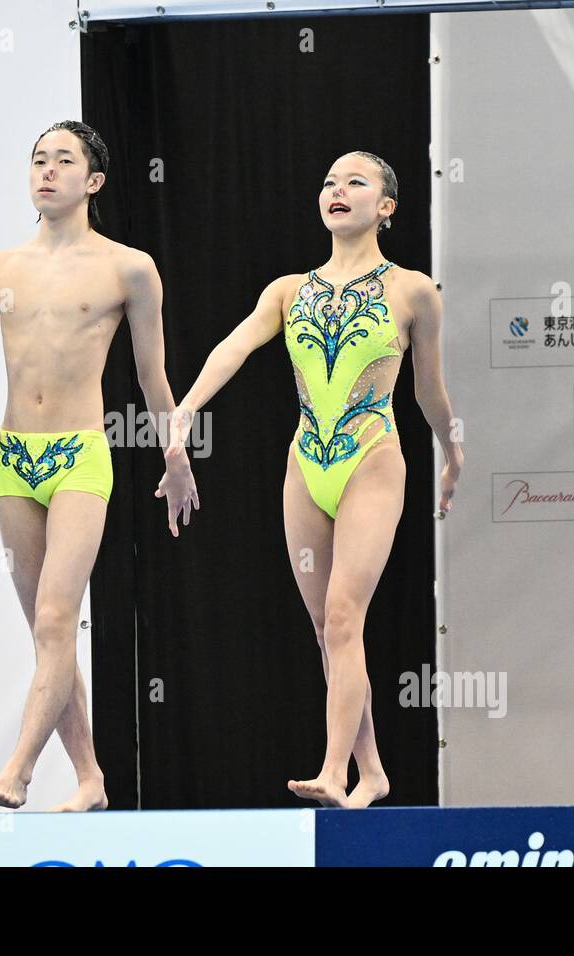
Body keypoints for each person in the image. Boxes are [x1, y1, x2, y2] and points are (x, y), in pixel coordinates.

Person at [0, 120, 199, 811]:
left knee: (57, 618)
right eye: (37, 161)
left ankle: (18, 769)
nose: (46, 172)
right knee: (46, 633)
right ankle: (91, 779)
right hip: (14, 459)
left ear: (94, 181)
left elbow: (152, 377)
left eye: (63, 161)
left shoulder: (129, 268)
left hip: (80, 456)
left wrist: (175, 452)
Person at [165, 151, 462, 807]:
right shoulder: (286, 291)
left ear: (386, 206)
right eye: (329, 181)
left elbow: (429, 390)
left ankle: (335, 772)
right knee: (328, 631)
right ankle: (374, 771)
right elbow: (234, 347)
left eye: (357, 182)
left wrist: (453, 449)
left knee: (342, 613)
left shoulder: (414, 290)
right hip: (307, 464)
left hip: (372, 456)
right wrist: (184, 410)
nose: (338, 190)